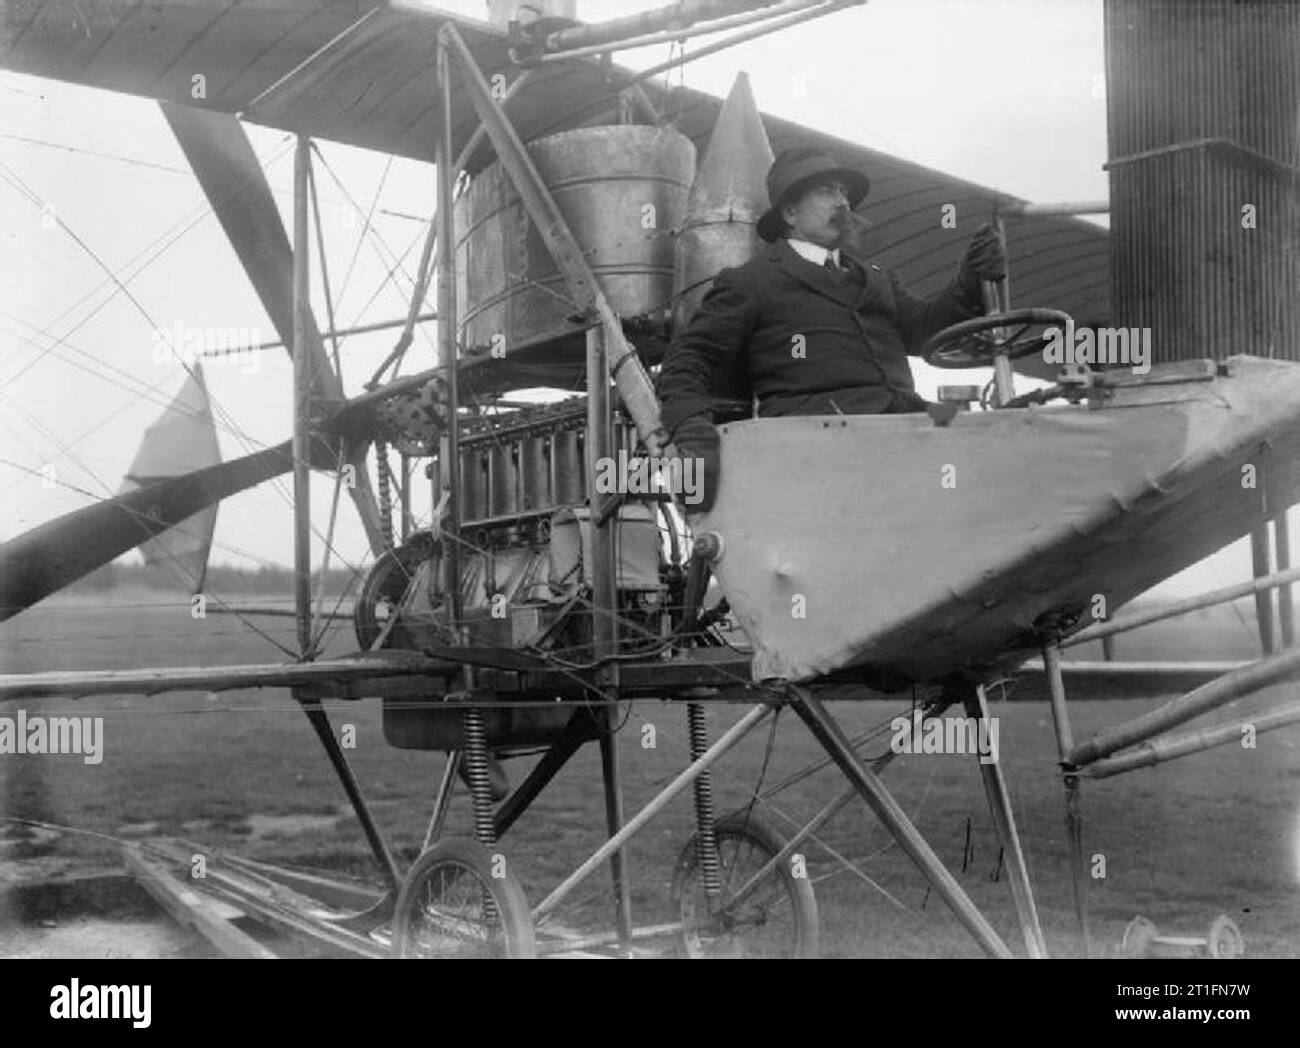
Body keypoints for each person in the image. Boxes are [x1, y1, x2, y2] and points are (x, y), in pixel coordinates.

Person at [658, 146, 1006, 512]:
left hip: (908, 432)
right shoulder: (752, 282)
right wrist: (694, 434)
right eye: (826, 192)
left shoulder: (876, 278)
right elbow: (687, 359)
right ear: (790, 212)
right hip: (819, 452)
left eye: (843, 192)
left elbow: (924, 332)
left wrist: (969, 280)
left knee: (1004, 445)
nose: (842, 203)